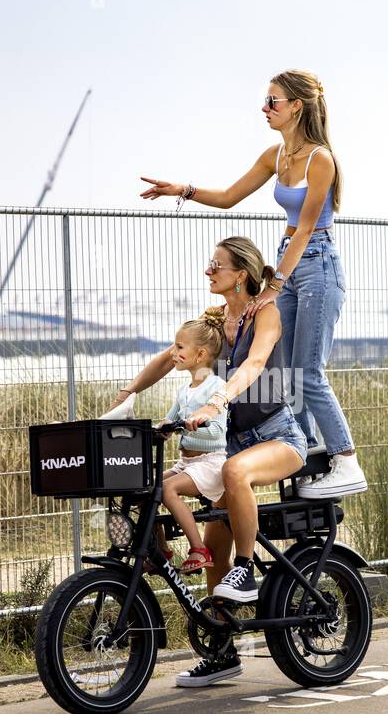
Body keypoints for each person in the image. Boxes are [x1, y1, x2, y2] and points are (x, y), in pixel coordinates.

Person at [138, 68, 366, 499]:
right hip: (288, 263)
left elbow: (305, 229)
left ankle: (346, 460)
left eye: (272, 102)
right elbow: (228, 196)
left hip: (316, 264)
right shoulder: (274, 157)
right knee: (294, 373)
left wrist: (274, 287)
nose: (265, 109)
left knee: (310, 371)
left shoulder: (321, 160)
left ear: (296, 106)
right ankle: (307, 456)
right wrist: (180, 190)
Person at [109, 237, 307, 687]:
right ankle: (222, 652)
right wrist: (128, 394)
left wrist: (219, 399)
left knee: (236, 473)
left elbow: (255, 364)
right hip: (231, 444)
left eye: (216, 265)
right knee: (208, 546)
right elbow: (169, 357)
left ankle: (246, 569)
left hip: (278, 436)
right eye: (208, 264)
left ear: (241, 273)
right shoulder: (214, 320)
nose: (208, 271)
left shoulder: (266, 313)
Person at [150, 312, 229, 575]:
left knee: (168, 490)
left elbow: (218, 432)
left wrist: (191, 425)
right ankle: (159, 549)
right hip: (187, 463)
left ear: (201, 355)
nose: (173, 352)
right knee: (147, 488)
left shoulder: (217, 387)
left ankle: (199, 549)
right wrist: (160, 429)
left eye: (180, 347)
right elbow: (169, 420)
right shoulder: (185, 391)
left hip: (210, 463)